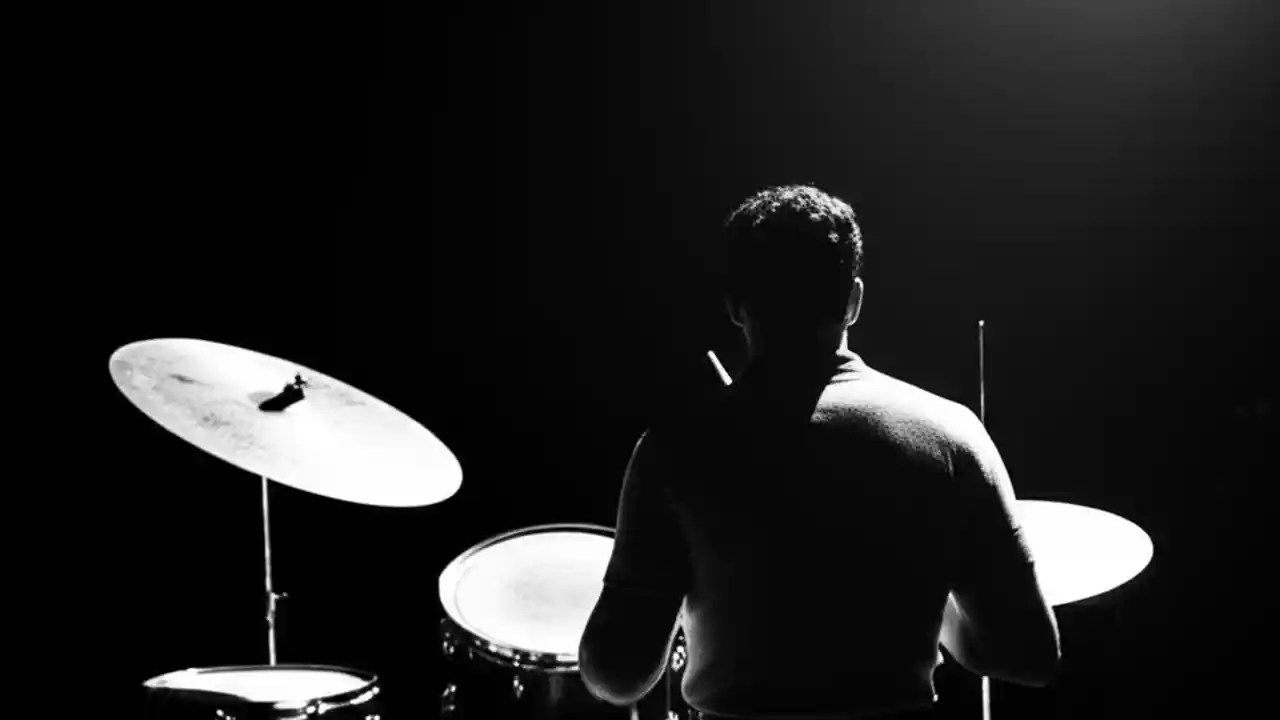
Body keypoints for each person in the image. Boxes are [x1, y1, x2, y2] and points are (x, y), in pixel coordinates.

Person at [579, 185, 1060, 719]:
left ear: (736, 305)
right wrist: (925, 585)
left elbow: (616, 674)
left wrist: (682, 592)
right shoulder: (952, 434)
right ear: (853, 300)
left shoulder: (677, 448)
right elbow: (1029, 655)